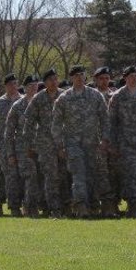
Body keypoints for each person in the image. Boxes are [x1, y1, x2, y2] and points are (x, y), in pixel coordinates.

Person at [52, 66, 110, 218]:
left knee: (91, 175)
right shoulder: (64, 98)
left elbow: (105, 118)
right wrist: (60, 145)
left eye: (82, 75)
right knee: (78, 174)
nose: (79, 78)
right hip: (73, 144)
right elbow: (56, 124)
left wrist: (104, 139)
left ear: (85, 77)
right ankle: (81, 206)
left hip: (92, 143)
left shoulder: (95, 95)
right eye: (76, 75)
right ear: (71, 78)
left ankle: (92, 205)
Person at [107, 66, 136, 218]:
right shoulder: (118, 96)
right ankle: (134, 205)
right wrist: (112, 143)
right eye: (131, 76)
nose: (134, 78)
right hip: (125, 142)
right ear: (125, 78)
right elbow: (112, 122)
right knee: (131, 173)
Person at [24, 69, 67, 218]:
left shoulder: (65, 96)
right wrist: (29, 145)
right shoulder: (38, 99)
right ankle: (53, 209)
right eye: (50, 80)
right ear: (45, 82)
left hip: (64, 142)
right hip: (46, 144)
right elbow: (29, 122)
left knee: (64, 175)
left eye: (56, 79)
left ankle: (66, 206)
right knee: (51, 176)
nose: (54, 82)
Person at [6, 75, 40, 217]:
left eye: (36, 85)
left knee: (43, 178)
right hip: (23, 149)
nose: (34, 87)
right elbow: (9, 132)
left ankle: (41, 206)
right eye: (31, 85)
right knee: (28, 177)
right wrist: (10, 153)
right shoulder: (18, 106)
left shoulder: (42, 102)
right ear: (25, 88)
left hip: (43, 147)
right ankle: (28, 207)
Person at [0, 75, 21, 216]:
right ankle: (2, 205)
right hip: (3, 146)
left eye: (15, 83)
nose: (13, 86)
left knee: (22, 176)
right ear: (6, 86)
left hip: (21, 145)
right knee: (5, 176)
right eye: (11, 84)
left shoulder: (23, 100)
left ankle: (23, 205)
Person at [92, 67, 121, 217]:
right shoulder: (90, 96)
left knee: (114, 173)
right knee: (100, 173)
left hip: (113, 142)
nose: (104, 81)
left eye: (106, 78)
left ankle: (113, 205)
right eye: (101, 78)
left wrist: (113, 142)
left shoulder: (115, 96)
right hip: (97, 142)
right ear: (95, 79)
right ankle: (100, 205)